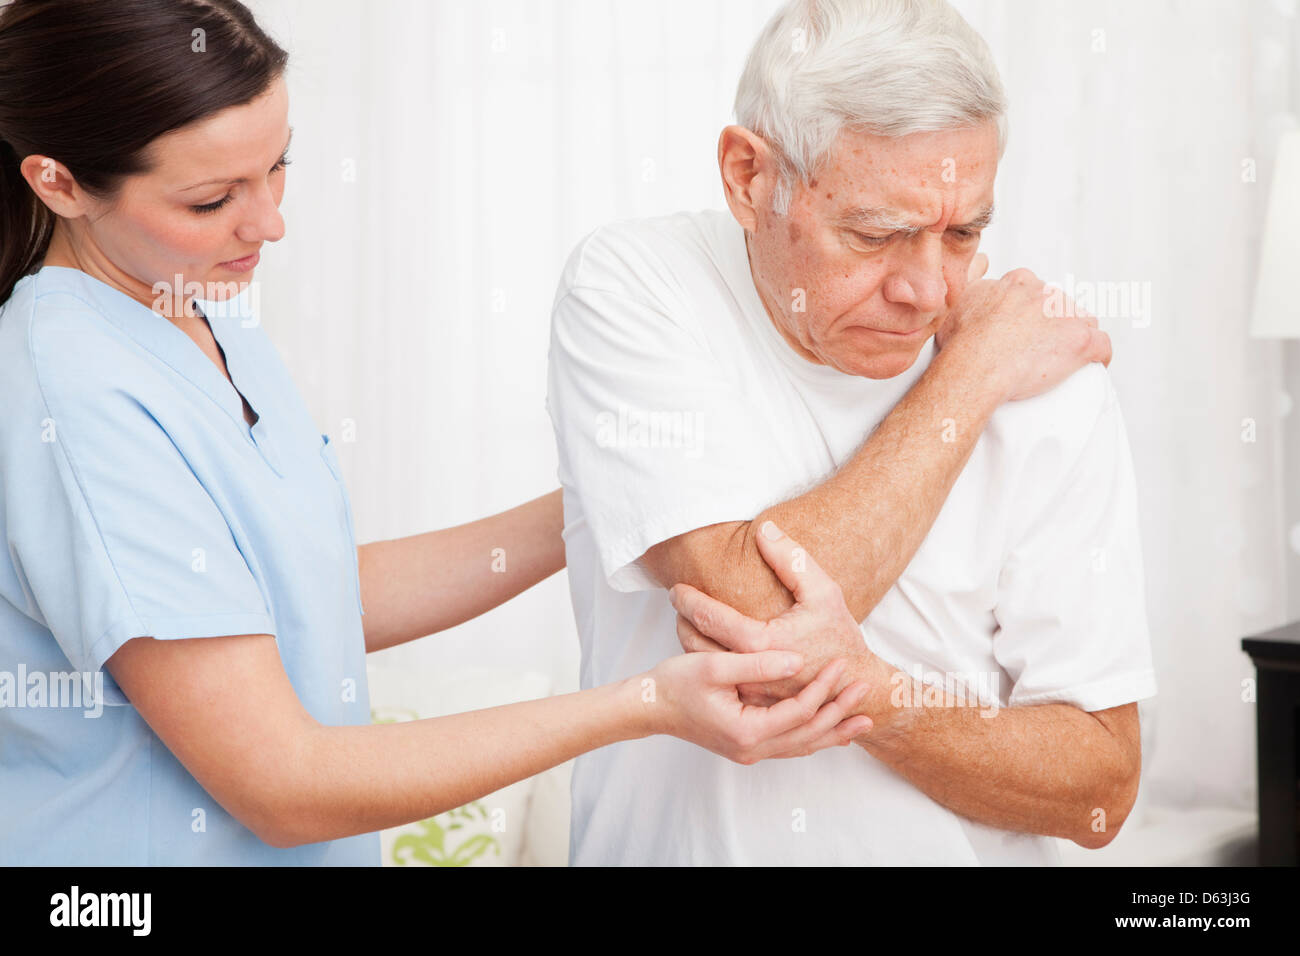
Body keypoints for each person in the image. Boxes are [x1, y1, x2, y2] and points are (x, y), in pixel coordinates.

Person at [0, 0, 878, 866]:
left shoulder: (197, 307)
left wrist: (624, 496)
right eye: (211, 198)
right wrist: (645, 702)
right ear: (59, 182)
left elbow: (305, 598)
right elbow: (282, 783)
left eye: (278, 167)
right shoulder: (73, 394)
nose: (270, 221)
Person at [545, 0, 1152, 865]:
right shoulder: (637, 289)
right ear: (748, 177)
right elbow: (747, 618)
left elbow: (1100, 794)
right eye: (876, 236)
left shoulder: (1050, 384)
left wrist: (885, 701)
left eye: (964, 233)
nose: (929, 291)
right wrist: (969, 375)